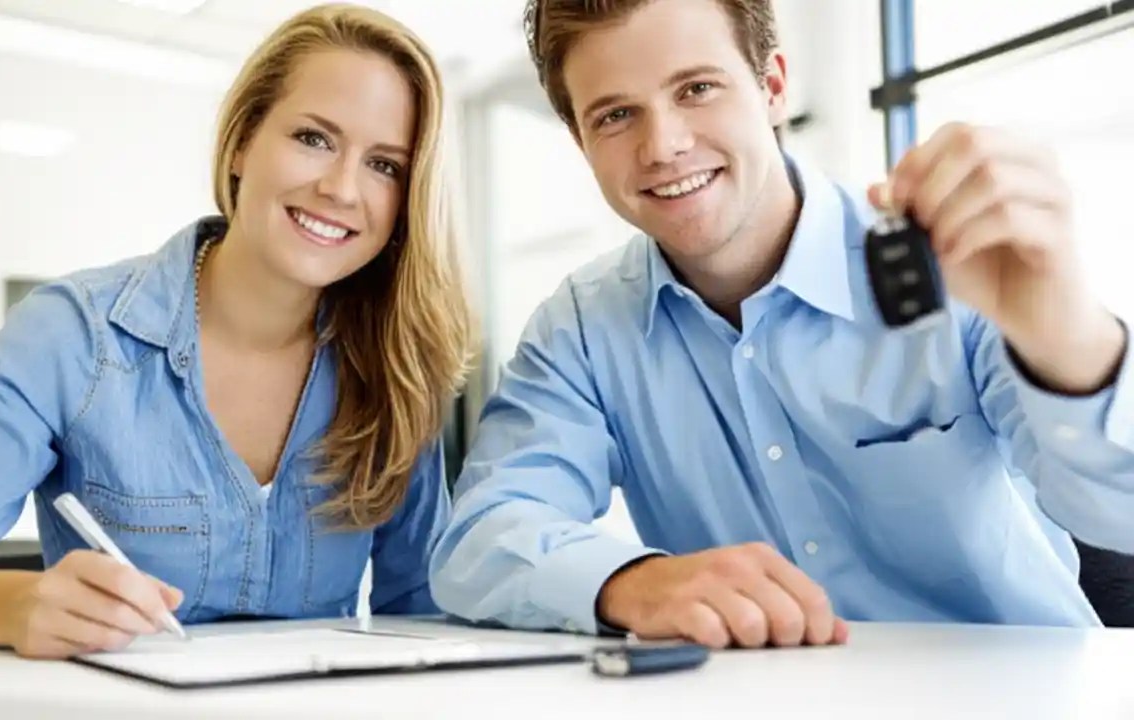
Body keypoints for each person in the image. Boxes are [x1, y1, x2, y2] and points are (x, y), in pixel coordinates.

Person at [429, 0, 1134, 650]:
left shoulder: (953, 265)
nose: (663, 145)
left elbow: (1120, 518)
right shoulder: (581, 328)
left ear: (772, 87)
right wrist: (629, 582)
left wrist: (1067, 332)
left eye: (696, 89)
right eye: (616, 115)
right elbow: (480, 538)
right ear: (581, 141)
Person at [0, 3, 473, 658]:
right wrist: (12, 605)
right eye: (313, 138)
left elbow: (428, 615)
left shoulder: (395, 367)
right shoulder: (71, 335)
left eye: (385, 165)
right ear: (242, 144)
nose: (342, 188)